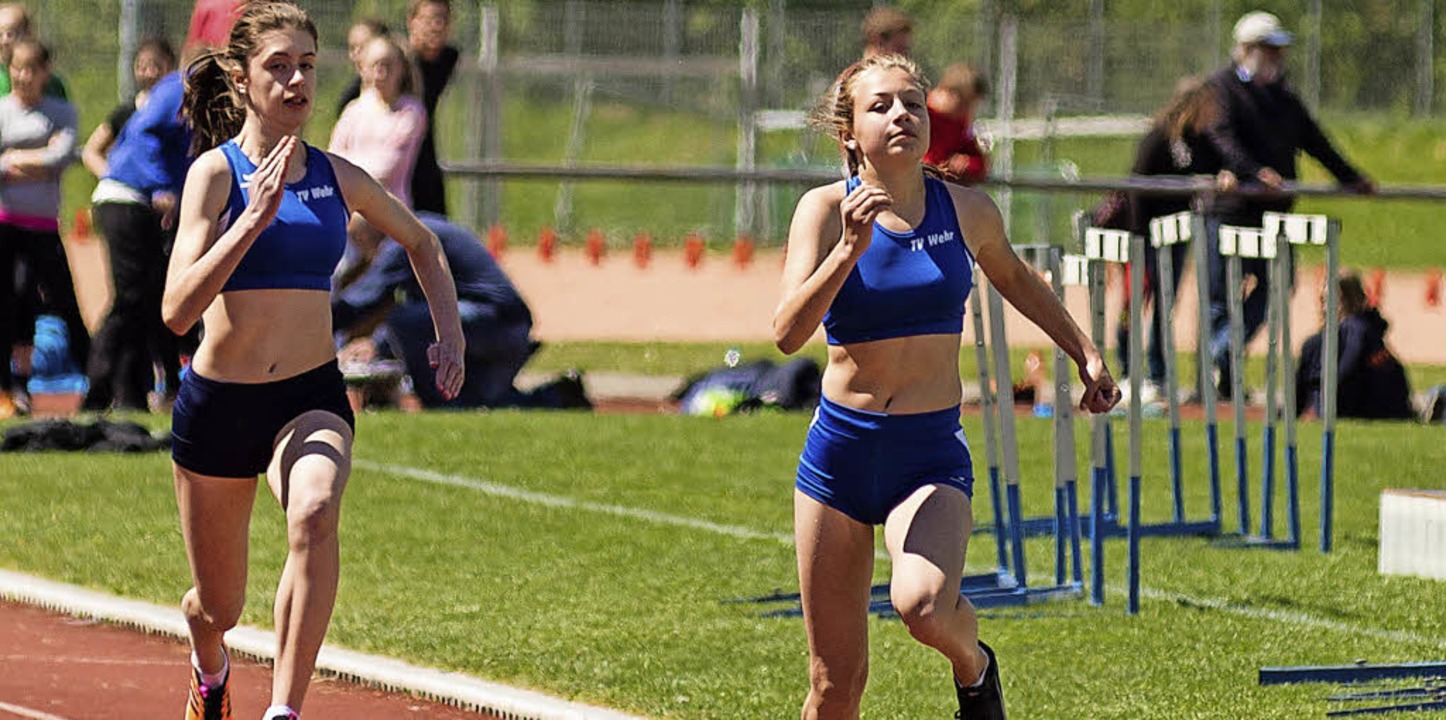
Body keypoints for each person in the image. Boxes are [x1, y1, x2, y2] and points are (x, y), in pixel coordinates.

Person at [774, 54, 1120, 720]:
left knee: (924, 606)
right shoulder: (820, 212)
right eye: (880, 106)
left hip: (926, 455)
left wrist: (1086, 353)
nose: (901, 114)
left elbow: (1017, 281)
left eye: (912, 102)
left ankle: (975, 667)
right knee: (832, 685)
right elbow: (788, 333)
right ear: (849, 132)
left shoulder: (967, 210)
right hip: (839, 457)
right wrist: (849, 248)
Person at [164, 4, 464, 719]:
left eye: (307, 65)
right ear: (241, 79)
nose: (298, 80)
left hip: (308, 393)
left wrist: (448, 334)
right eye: (279, 66)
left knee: (316, 511)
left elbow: (423, 243)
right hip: (219, 405)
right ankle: (210, 670)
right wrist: (249, 221)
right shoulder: (215, 175)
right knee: (220, 605)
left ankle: (284, 710)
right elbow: (176, 309)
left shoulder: (336, 175)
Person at [1203, 10, 1374, 397]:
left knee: (1275, 288)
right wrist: (1253, 171)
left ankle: (1224, 354)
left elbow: (1317, 142)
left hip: (1274, 216)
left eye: (1280, 50)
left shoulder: (1284, 99)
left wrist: (1351, 177)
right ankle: (1220, 372)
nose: (1279, 58)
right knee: (1219, 299)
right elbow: (1221, 138)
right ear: (1246, 49)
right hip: (1229, 213)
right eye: (1270, 49)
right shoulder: (1221, 90)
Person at [333, 213, 588, 410]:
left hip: (491, 323)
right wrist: (376, 343)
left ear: (369, 235)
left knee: (405, 322)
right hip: (506, 326)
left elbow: (363, 299)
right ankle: (556, 395)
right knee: (480, 405)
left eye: (358, 241)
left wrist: (314, 325)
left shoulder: (400, 240)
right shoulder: (420, 225)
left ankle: (437, 403)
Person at [83, 62, 190, 412]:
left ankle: (131, 395)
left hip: (141, 204)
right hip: (124, 197)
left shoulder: (199, 100)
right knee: (130, 298)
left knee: (146, 299)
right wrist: (161, 185)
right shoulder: (178, 88)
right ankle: (96, 390)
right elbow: (145, 131)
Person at [1117, 76, 1231, 401]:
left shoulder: (1201, 140)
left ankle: (1157, 372)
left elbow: (1217, 164)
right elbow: (1137, 187)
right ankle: (1125, 368)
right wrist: (1137, 239)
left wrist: (1224, 175)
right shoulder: (1158, 137)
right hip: (1145, 234)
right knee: (1134, 301)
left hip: (1176, 234)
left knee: (1165, 304)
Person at [0, 39, 85, 420]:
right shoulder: (2, 111)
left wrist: (13, 157)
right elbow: (45, 159)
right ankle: (9, 389)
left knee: (63, 301)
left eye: (32, 69)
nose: (23, 76)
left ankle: (97, 384)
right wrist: (35, 158)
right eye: (17, 68)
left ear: (45, 72)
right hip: (6, 223)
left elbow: (60, 156)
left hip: (44, 226)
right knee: (9, 301)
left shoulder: (62, 111)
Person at [1295, 271, 1414, 421]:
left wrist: (1321, 409)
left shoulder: (1355, 334)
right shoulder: (1371, 334)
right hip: (1396, 410)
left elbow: (1344, 380)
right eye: (1323, 301)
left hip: (1364, 411)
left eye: (1329, 301)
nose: (1325, 308)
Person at [328, 35, 426, 208]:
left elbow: (386, 168)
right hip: (349, 208)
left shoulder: (411, 112)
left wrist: (347, 170)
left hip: (392, 212)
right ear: (363, 69)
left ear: (401, 68)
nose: (381, 72)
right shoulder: (353, 110)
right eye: (375, 65)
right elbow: (332, 159)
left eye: (387, 65)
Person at [81, 37, 177, 181]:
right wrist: (113, 177)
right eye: (142, 67)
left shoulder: (179, 112)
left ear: (170, 68)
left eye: (156, 67)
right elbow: (90, 151)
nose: (149, 73)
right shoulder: (127, 113)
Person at [406, 0, 458, 216]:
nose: (436, 26)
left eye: (442, 20)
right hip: (395, 154)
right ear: (412, 22)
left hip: (425, 154)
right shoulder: (398, 61)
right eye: (428, 20)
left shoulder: (448, 59)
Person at [923, 63, 989, 186]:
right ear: (949, 93)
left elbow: (980, 164)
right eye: (965, 103)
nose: (968, 110)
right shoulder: (921, 113)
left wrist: (966, 162)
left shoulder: (959, 123)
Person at [0, 4, 65, 99]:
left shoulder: (50, 83)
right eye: (0, 35)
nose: (4, 41)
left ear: (28, 33)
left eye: (10, 34)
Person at [333, 17, 389, 116]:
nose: (356, 55)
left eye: (363, 47)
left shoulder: (402, 100)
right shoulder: (350, 99)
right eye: (352, 48)